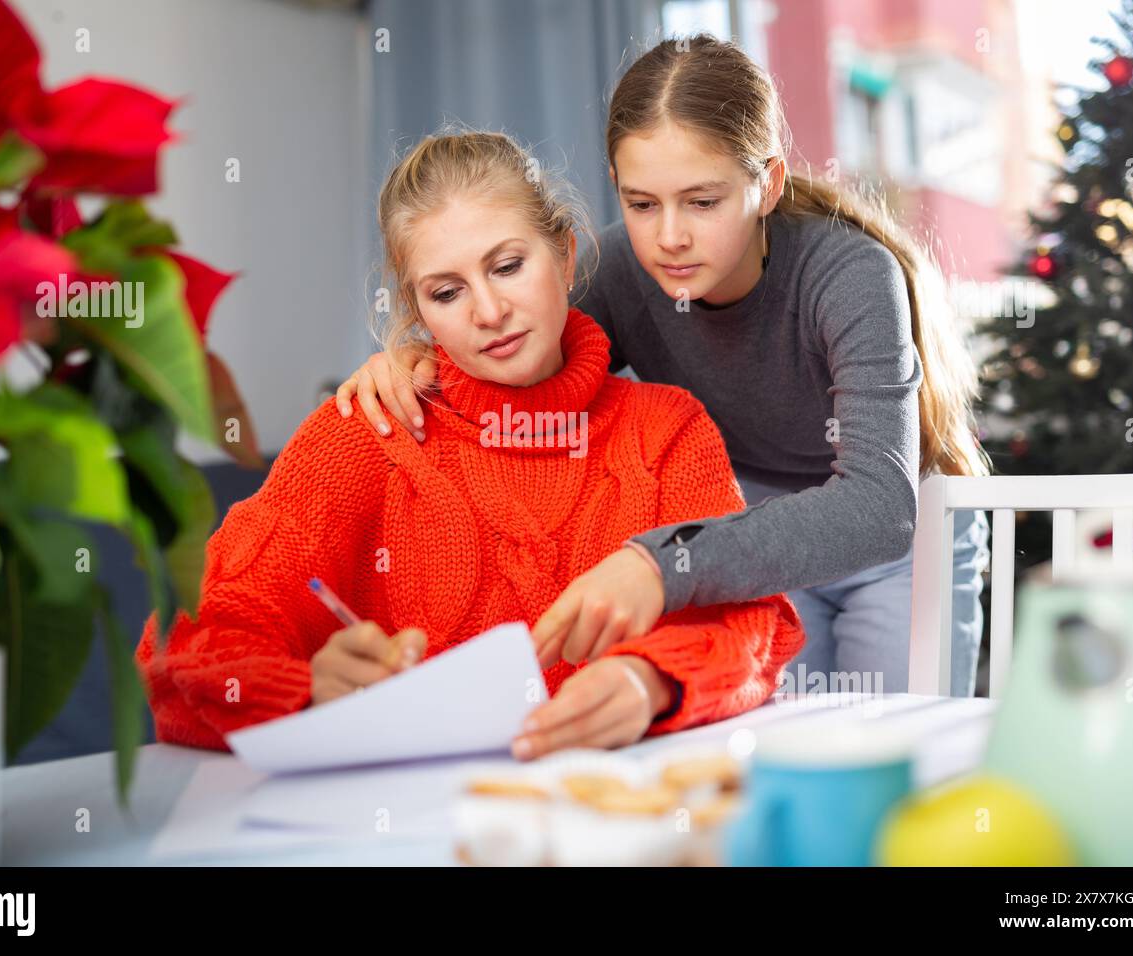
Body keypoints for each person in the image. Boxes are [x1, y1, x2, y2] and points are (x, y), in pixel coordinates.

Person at [338, 35, 992, 697]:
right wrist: (417, 364)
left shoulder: (848, 274)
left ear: (765, 184)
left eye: (701, 202)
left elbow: (880, 508)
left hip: (891, 544)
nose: (669, 238)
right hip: (752, 544)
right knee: (784, 760)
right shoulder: (625, 272)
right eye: (642, 204)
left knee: (894, 761)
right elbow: (527, 364)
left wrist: (664, 563)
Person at [135, 130, 805, 756]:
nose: (487, 312)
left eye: (508, 265)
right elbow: (187, 644)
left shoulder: (669, 432)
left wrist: (649, 684)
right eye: (447, 291)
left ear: (567, 256)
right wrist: (308, 691)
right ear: (417, 309)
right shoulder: (363, 432)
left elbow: (751, 623)